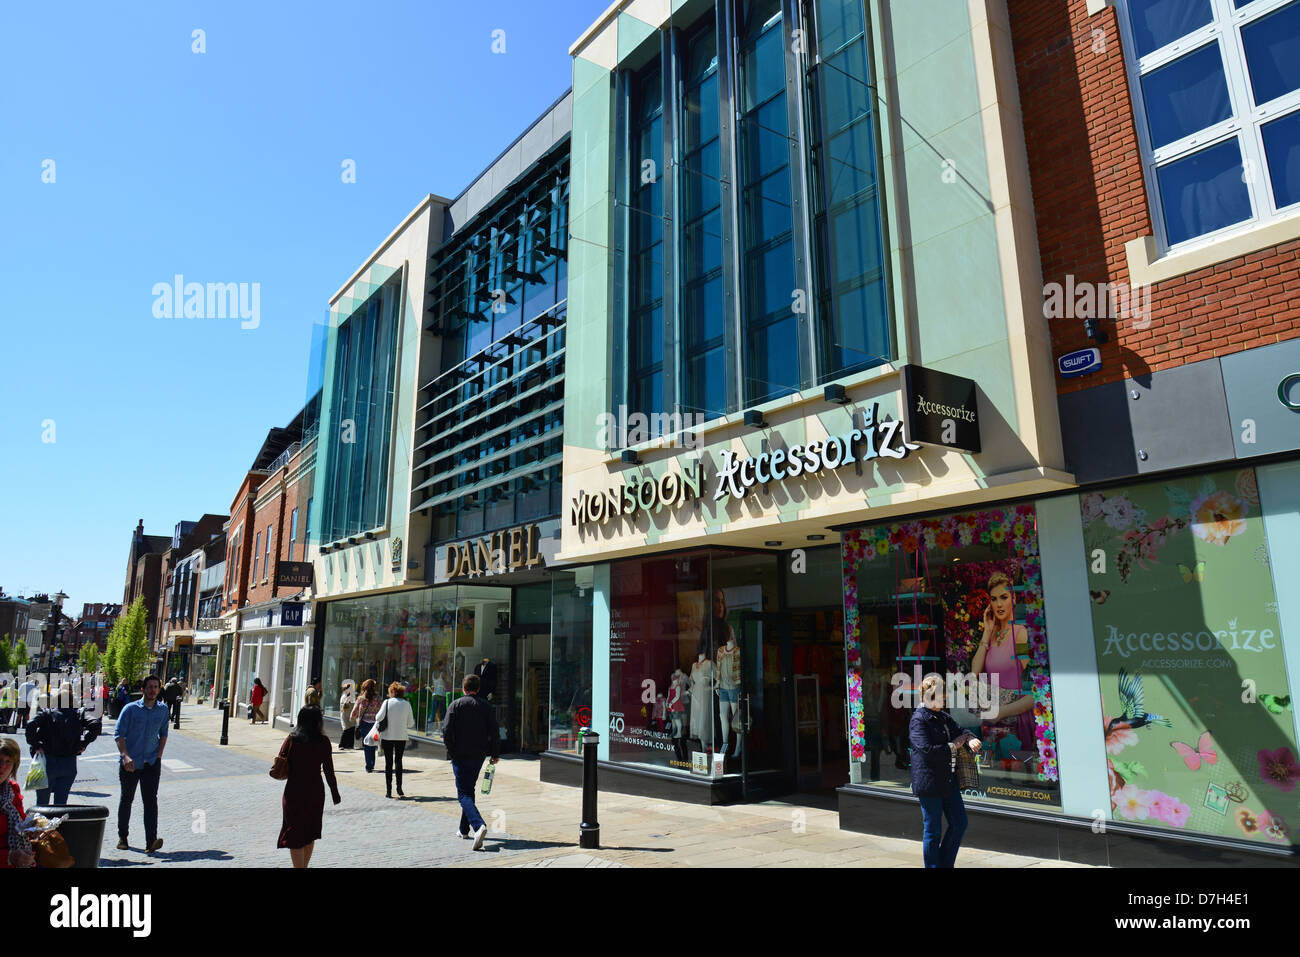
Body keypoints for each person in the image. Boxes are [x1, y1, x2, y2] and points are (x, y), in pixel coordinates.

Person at [909, 673, 981, 868]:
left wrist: (970, 737)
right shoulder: (919, 720)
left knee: (960, 823)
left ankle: (945, 864)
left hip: (948, 781)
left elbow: (960, 731)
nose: (944, 701)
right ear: (930, 697)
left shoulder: (942, 716)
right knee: (932, 831)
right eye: (941, 698)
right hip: (929, 782)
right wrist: (953, 746)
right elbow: (926, 751)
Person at [970, 571, 1035, 759]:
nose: (999, 604)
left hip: (1017, 721)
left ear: (1013, 598)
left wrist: (1000, 712)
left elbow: (1035, 691)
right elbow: (974, 672)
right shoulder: (993, 635)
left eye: (1004, 597)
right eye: (994, 599)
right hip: (995, 723)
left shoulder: (1020, 634)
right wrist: (987, 632)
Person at [276, 706, 340, 868]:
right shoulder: (323, 742)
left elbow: (281, 759)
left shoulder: (292, 739)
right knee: (310, 833)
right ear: (318, 721)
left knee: (295, 832)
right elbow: (329, 770)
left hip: (294, 791)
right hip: (314, 792)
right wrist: (334, 792)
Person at [441, 674, 499, 851]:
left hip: (460, 754)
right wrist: (495, 753)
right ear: (478, 689)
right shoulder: (486, 706)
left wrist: (451, 750)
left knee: (463, 794)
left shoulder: (456, 705)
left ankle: (478, 825)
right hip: (478, 755)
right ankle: (463, 829)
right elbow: (494, 731)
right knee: (468, 790)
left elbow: (446, 730)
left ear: (463, 688)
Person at [113, 675, 170, 854]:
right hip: (131, 763)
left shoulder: (163, 710)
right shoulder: (130, 709)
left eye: (156, 687)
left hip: (151, 763)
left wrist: (159, 755)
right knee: (126, 800)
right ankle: (123, 836)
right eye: (150, 687)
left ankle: (151, 841)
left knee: (151, 802)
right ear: (144, 689)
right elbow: (119, 734)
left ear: (159, 690)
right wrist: (125, 756)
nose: (153, 690)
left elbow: (164, 734)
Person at [25, 681, 101, 805]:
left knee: (42, 803)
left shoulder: (47, 713)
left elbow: (31, 724)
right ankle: (59, 823)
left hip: (48, 760)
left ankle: (42, 822)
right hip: (69, 762)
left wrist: (36, 744)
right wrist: (84, 743)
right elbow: (95, 724)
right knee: (61, 803)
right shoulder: (78, 714)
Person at [375, 682, 415, 799]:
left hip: (388, 736)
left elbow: (378, 717)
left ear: (391, 692)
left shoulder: (387, 702)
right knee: (398, 761)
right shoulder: (406, 704)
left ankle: (388, 790)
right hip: (401, 737)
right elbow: (411, 723)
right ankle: (399, 788)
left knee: (388, 763)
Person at [0, 738, 35, 869]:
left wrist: (32, 830)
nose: (2, 766)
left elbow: (20, 824)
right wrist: (9, 857)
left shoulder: (12, 789)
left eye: (8, 762)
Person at [350, 679, 382, 773]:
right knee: (372, 744)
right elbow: (381, 710)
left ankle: (369, 765)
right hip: (374, 724)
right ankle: (371, 763)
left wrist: (352, 718)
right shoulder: (378, 698)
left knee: (366, 744)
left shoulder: (361, 698)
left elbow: (355, 711)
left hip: (364, 724)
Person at [338, 680, 357, 751]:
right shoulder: (344, 696)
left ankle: (350, 745)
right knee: (346, 730)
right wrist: (348, 701)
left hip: (351, 715)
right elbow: (344, 707)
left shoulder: (351, 696)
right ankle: (342, 744)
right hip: (345, 716)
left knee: (351, 730)